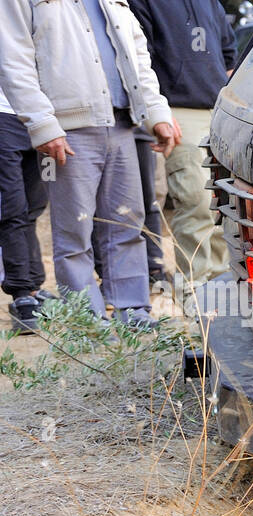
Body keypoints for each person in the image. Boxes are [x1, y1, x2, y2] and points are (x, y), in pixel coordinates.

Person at [0, 0, 178, 329]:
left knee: (127, 226)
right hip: (67, 129)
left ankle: (133, 313)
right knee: (74, 232)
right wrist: (42, 124)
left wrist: (157, 113)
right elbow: (13, 57)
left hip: (122, 123)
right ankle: (89, 321)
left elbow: (138, 53)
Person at [128, 0, 238, 288]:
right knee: (197, 203)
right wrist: (159, 113)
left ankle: (222, 291)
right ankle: (196, 293)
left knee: (226, 205)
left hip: (220, 111)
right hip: (177, 110)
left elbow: (229, 55)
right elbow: (139, 61)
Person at [0, 82, 54, 333]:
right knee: (13, 208)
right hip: (4, 117)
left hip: (46, 122)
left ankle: (33, 286)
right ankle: (21, 294)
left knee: (35, 206)